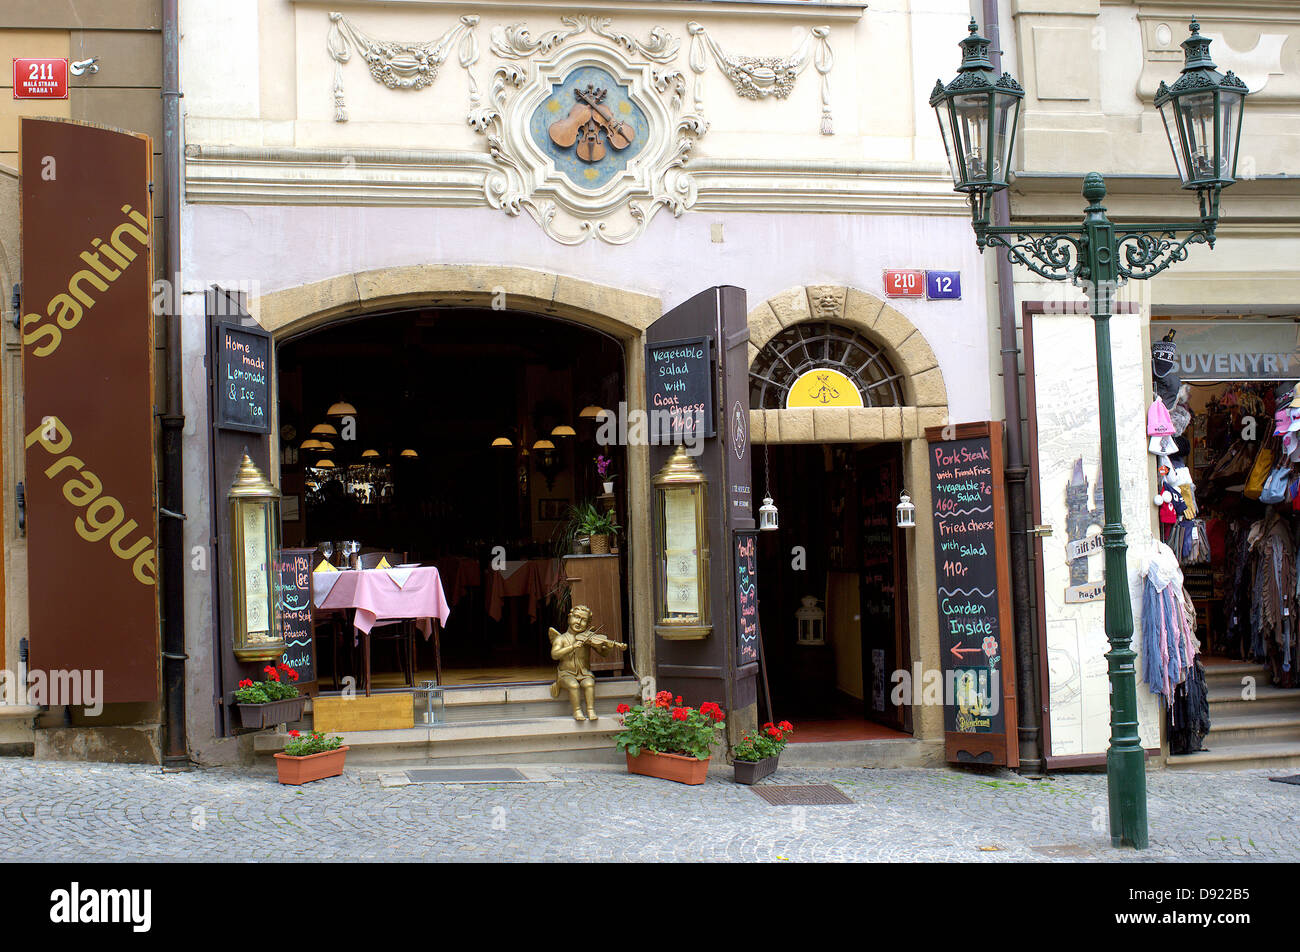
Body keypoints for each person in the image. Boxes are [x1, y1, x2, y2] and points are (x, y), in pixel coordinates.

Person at [548, 605, 626, 721]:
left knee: (589, 684)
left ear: (588, 624)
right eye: (576, 617)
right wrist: (572, 646)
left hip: (584, 673)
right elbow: (554, 654)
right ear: (569, 618)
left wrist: (609, 647)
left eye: (583, 620)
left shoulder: (588, 638)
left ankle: (590, 710)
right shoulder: (562, 639)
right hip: (566, 673)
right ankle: (577, 711)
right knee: (574, 685)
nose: (579, 622)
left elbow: (603, 653)